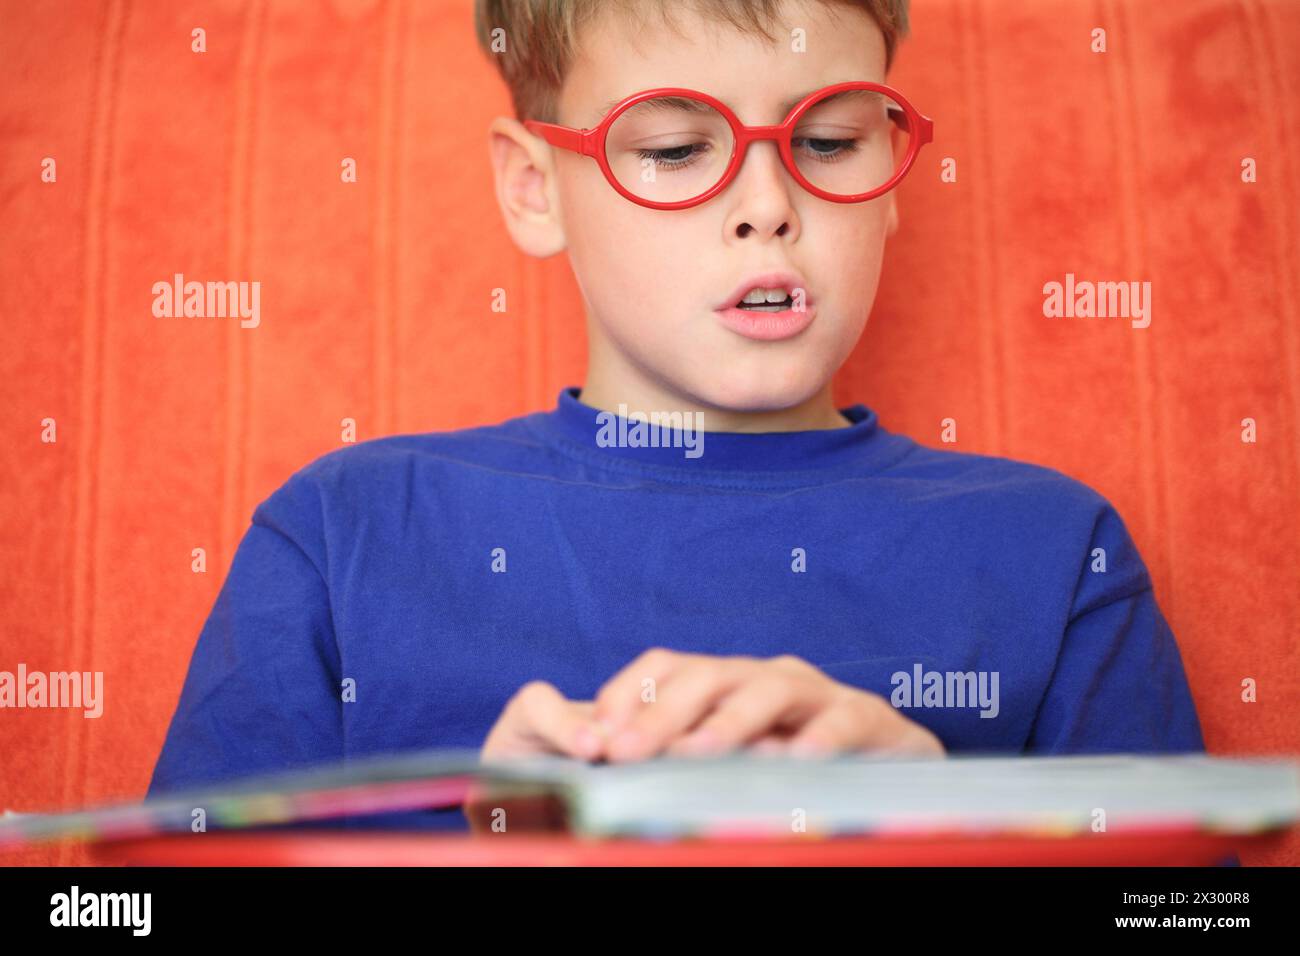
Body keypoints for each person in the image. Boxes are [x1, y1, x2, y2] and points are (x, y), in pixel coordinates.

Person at [148, 0, 1210, 843]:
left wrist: (950, 828)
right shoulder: (346, 534)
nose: (767, 203)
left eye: (829, 140)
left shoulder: (1053, 549)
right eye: (670, 150)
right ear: (533, 188)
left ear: (891, 174)